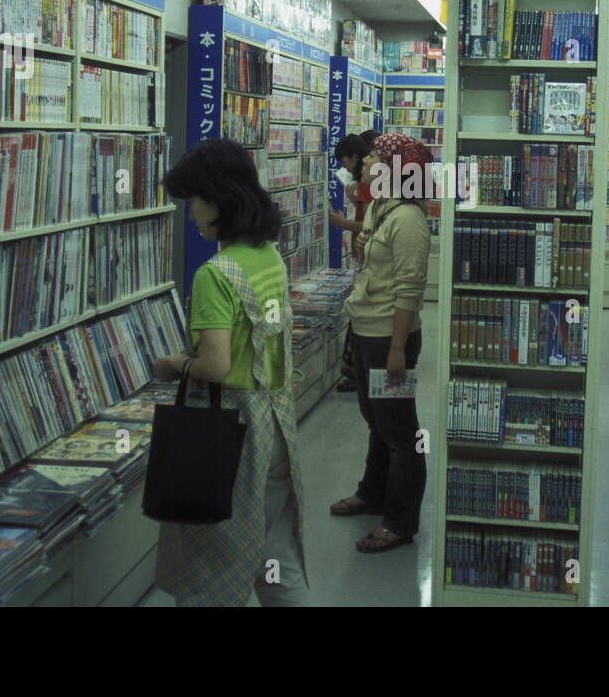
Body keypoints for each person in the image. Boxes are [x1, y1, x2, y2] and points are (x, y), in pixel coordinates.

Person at [151, 137, 307, 606]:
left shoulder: (214, 275)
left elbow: (215, 366)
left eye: (193, 201)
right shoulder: (269, 257)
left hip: (231, 439)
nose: (191, 213)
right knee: (278, 558)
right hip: (276, 424)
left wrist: (171, 364)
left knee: (211, 569)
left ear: (218, 198)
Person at [329, 133, 432, 553]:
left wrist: (394, 349)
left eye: (375, 156)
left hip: (390, 338)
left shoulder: (408, 218)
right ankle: (373, 493)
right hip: (367, 330)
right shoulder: (380, 207)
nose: (367, 160)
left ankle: (400, 521)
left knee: (400, 430)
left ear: (393, 169)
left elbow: (410, 287)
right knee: (377, 422)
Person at [330, 129, 380, 392]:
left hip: (369, 258)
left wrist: (344, 223)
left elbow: (373, 224)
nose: (346, 167)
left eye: (345, 161)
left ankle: (359, 373)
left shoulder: (375, 184)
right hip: (363, 254)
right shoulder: (366, 183)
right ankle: (357, 372)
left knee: (361, 317)